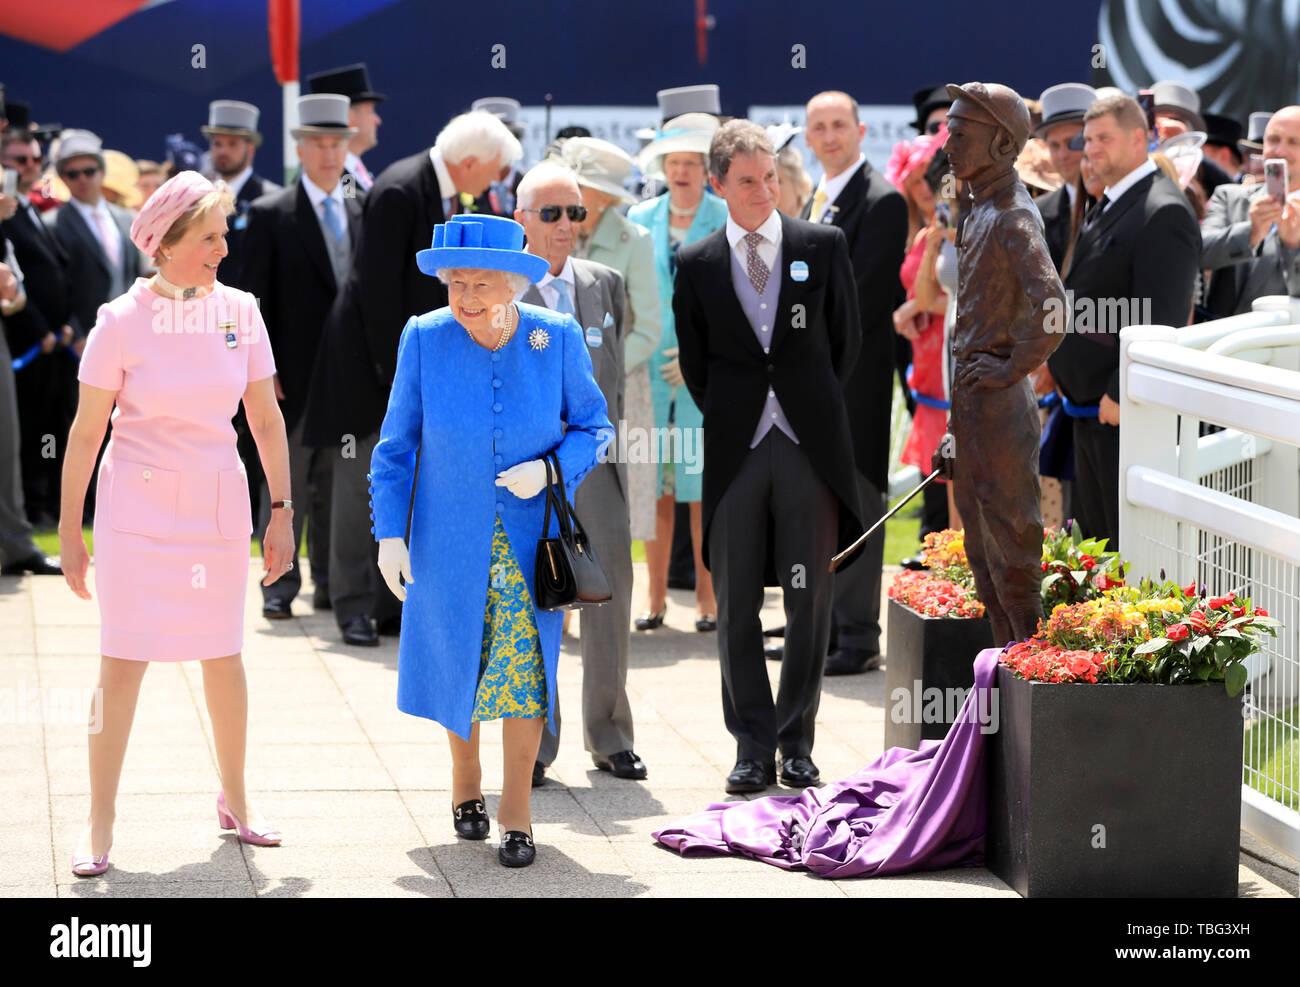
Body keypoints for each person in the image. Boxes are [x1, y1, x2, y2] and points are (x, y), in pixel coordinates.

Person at [59, 171, 295, 877]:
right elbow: (84, 432)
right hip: (135, 516)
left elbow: (266, 420)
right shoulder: (119, 320)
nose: (223, 249)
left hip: (217, 515)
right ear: (163, 244)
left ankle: (238, 798)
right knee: (122, 665)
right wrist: (71, 531)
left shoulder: (241, 312)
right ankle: (99, 818)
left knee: (223, 658)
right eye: (208, 237)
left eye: (225, 234)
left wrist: (280, 513)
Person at [369, 213, 611, 867]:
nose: (468, 299)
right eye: (458, 284)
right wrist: (390, 534)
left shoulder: (553, 337)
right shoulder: (424, 337)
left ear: (512, 283)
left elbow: (595, 426)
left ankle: (517, 810)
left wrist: (551, 468)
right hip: (446, 543)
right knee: (462, 666)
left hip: (531, 549)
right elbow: (394, 449)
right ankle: (465, 781)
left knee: (526, 675)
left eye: (482, 284)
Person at [674, 120, 863, 794]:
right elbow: (697, 366)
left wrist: (803, 411)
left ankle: (798, 741)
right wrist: (742, 414)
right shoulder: (695, 264)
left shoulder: (822, 243)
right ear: (719, 184)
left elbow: (846, 346)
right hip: (737, 451)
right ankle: (751, 745)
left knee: (809, 600)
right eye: (748, 181)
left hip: (807, 451)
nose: (763, 191)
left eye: (772, 178)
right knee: (737, 605)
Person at [304, 109, 522, 646]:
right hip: (370, 366)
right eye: (493, 173)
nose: (495, 185)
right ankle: (351, 604)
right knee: (364, 483)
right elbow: (375, 293)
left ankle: (387, 604)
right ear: (468, 161)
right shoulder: (402, 190)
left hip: (411, 363)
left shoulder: (445, 191)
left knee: (410, 486)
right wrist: (397, 375)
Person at [516, 160, 646, 784]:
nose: (565, 225)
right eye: (550, 213)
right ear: (522, 221)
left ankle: (610, 734)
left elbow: (614, 381)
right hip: (526, 476)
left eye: (574, 212)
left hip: (597, 470)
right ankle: (536, 745)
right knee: (536, 601)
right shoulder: (500, 289)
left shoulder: (606, 283)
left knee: (608, 596)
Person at [933, 82, 1066, 646]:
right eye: (948, 130)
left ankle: (1028, 686)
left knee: (1013, 561)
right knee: (980, 558)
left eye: (961, 133)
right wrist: (952, 430)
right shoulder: (977, 210)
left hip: (1001, 407)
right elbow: (970, 326)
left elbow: (1054, 309)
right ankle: (999, 695)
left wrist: (1012, 368)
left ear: (1004, 143)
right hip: (972, 408)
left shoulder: (1012, 215)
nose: (947, 145)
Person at [1045, 93, 1200, 547]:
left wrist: (1121, 388)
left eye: (1103, 138)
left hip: (1121, 411)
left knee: (1125, 548)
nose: (1091, 149)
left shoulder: (1162, 209)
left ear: (1139, 138)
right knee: (1094, 547)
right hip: (1088, 407)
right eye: (1087, 138)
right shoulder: (1113, 201)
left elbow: (1162, 319)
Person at [240, 94, 363, 620]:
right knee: (285, 476)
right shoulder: (271, 214)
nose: (329, 152)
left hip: (347, 373)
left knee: (342, 479)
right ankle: (277, 583)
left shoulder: (364, 207)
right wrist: (263, 372)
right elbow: (251, 300)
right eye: (318, 142)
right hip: (288, 374)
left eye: (337, 141)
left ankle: (332, 585)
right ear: (300, 148)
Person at [800, 90, 908, 676]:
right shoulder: (818, 200)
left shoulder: (882, 201)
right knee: (816, 500)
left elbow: (860, 298)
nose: (830, 135)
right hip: (816, 380)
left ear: (862, 131)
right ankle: (822, 626)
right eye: (819, 127)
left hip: (854, 380)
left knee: (859, 496)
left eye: (840, 124)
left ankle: (858, 635)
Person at [628, 113, 727, 633]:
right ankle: (655, 597)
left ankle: (707, 601)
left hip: (702, 377)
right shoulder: (639, 217)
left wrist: (701, 359)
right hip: (648, 370)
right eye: (674, 162)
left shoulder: (725, 215)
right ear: (662, 166)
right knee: (656, 488)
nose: (683, 171)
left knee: (702, 488)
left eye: (692, 162)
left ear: (706, 167)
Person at [560, 137, 663, 545]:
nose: (568, 200)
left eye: (578, 191)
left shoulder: (634, 241)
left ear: (601, 199)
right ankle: (558, 605)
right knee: (555, 512)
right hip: (554, 395)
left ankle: (605, 606)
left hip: (616, 393)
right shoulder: (555, 233)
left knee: (607, 521)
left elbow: (648, 329)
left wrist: (596, 374)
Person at [1, 129, 75, 530]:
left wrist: (63, 326)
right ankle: (28, 511)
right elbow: (13, 279)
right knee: (26, 436)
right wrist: (39, 330)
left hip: (53, 345)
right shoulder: (5, 212)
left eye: (34, 158)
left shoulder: (28, 208)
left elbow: (54, 272)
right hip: (23, 347)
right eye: (19, 159)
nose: (30, 166)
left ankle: (42, 507)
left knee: (50, 430)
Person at [889, 127, 952, 552]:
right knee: (937, 465)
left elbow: (967, 299)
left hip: (951, 352)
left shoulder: (953, 228)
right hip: (924, 358)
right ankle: (935, 551)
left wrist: (915, 308)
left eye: (929, 179)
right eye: (914, 183)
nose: (924, 190)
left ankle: (950, 559)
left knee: (954, 466)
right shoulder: (921, 234)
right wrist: (908, 313)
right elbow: (921, 296)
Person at [1201, 106, 1300, 317]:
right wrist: (1251, 233)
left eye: (1294, 142)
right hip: (1212, 340)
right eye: (1273, 140)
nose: (1280, 151)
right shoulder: (1229, 197)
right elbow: (1199, 252)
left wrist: (1292, 247)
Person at [201, 100, 280, 288]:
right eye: (217, 143)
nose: (223, 151)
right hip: (202, 305)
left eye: (232, 144)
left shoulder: (270, 198)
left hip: (252, 306)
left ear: (250, 148)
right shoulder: (199, 196)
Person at [1033, 83, 1098, 271]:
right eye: (1054, 145)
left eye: (1073, 142)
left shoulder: (1120, 203)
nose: (1063, 154)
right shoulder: (1037, 212)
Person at [306, 62, 385, 192]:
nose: (377, 120)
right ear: (347, 117)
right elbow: (351, 209)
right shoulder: (332, 174)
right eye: (371, 111)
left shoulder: (350, 172)